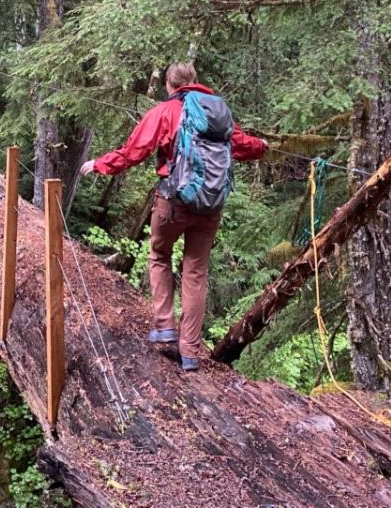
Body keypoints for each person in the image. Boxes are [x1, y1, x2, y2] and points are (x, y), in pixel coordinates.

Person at [80, 62, 267, 371]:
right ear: (195, 81)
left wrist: (100, 164)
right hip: (210, 206)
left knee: (159, 255)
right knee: (196, 272)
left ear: (169, 85)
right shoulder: (215, 111)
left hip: (173, 201)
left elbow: (134, 151)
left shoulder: (164, 112)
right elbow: (241, 145)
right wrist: (263, 146)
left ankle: (165, 327)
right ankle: (190, 351)